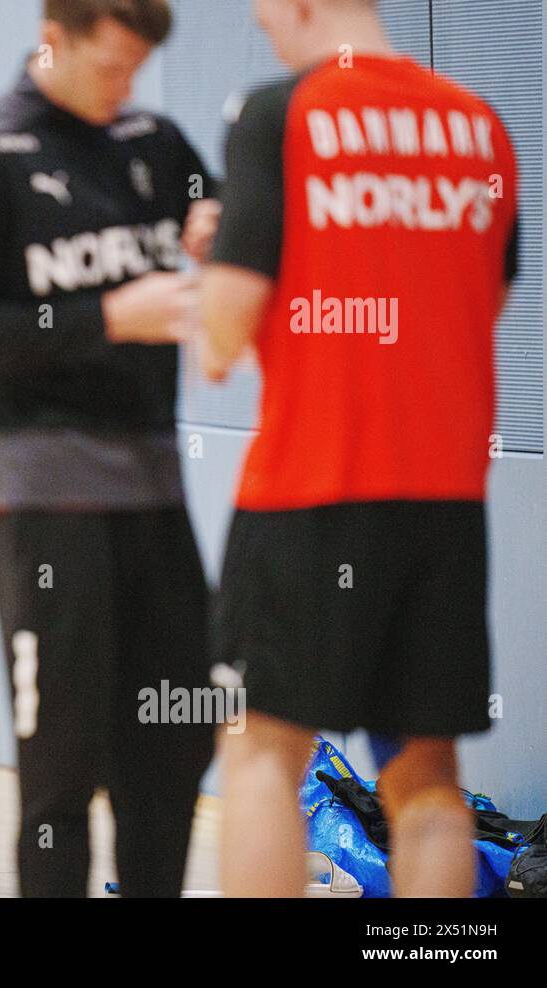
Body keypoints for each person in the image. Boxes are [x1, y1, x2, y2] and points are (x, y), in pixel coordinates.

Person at [200, 0, 519, 897]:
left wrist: (224, 254)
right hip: (445, 506)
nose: (263, 22)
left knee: (265, 753)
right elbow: (477, 305)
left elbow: (223, 337)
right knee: (426, 783)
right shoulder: (478, 124)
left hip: (311, 490)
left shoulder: (279, 115)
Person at [0, 0, 219, 897]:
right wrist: (107, 318)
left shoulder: (156, 144)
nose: (124, 87)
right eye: (111, 66)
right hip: (42, 491)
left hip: (154, 488)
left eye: (137, 70)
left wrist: (219, 227)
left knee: (170, 749)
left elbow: (223, 214)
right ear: (56, 36)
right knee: (62, 761)